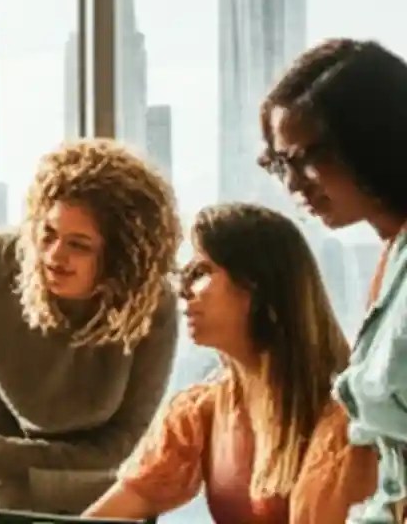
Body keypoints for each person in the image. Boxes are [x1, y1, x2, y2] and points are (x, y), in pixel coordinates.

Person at [0, 139, 180, 514]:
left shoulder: (151, 305)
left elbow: (124, 446)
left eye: (78, 245)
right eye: (47, 234)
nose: (54, 256)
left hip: (105, 501)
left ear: (120, 257)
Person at [85, 202, 377, 523]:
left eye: (201, 272)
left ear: (256, 286)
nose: (184, 291)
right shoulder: (202, 411)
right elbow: (116, 510)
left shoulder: (345, 418)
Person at [258, 38, 407, 522]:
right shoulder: (392, 260)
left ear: (370, 137)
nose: (293, 183)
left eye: (306, 158)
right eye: (281, 163)